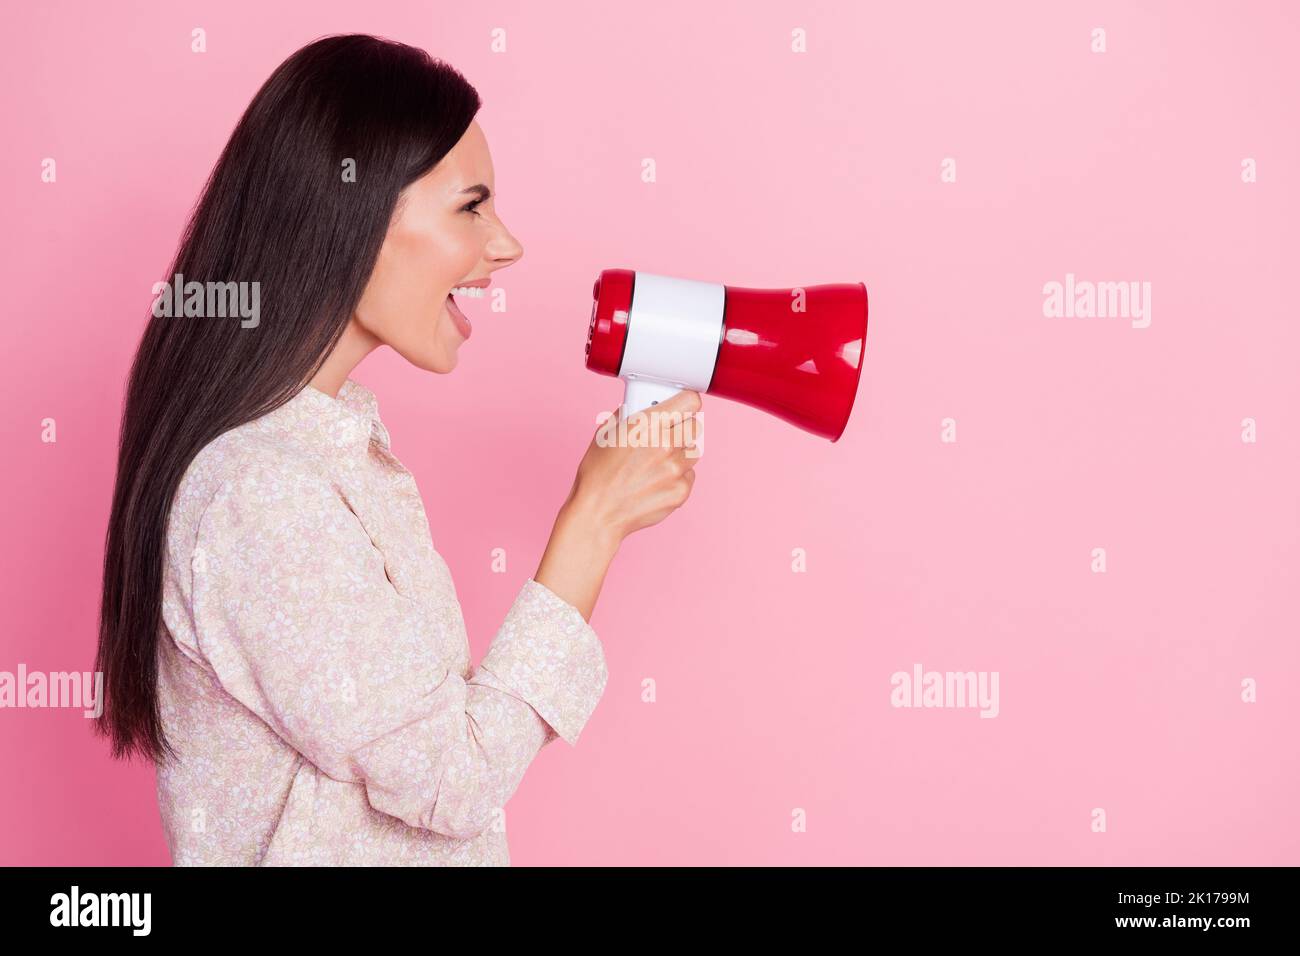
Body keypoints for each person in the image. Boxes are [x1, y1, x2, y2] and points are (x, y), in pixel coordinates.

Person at [93, 33, 702, 865]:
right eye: (470, 207)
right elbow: (454, 777)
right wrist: (593, 522)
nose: (506, 246)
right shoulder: (259, 494)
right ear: (354, 213)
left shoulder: (332, 454)